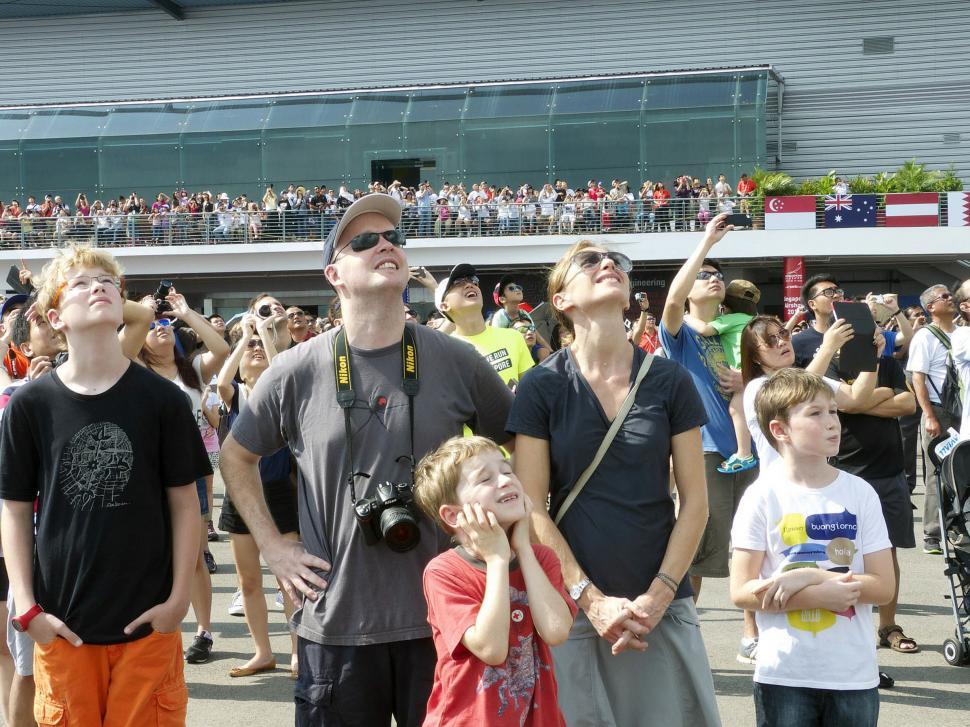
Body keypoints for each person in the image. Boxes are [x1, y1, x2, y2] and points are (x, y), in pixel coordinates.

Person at [219, 194, 514, 726]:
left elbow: (520, 444)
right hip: (336, 625)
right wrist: (274, 547)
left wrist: (502, 536)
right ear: (334, 274)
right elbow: (235, 456)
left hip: (446, 619)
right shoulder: (294, 370)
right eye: (365, 241)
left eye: (394, 238)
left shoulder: (456, 359)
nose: (386, 246)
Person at [509, 240, 720, 726]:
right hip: (573, 605)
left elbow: (695, 503)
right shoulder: (542, 384)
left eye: (616, 261)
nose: (608, 263)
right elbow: (531, 505)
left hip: (659, 604)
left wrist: (660, 595)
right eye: (588, 261)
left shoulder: (669, 380)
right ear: (561, 300)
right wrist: (591, 599)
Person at [0, 245, 210, 726]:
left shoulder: (163, 400)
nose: (98, 287)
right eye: (80, 283)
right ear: (55, 317)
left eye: (108, 282)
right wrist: (27, 607)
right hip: (64, 625)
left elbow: (185, 503)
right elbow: (14, 508)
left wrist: (178, 599)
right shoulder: (30, 405)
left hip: (148, 625)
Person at [730, 368, 895, 727]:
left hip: (853, 675)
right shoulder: (761, 496)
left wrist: (809, 576)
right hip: (783, 674)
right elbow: (741, 591)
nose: (832, 422)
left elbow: (884, 587)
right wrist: (819, 596)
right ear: (780, 430)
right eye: (815, 413)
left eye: (833, 411)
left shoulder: (860, 493)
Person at [413, 435, 574, 726]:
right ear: (453, 515)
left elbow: (556, 631)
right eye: (485, 478)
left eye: (507, 470)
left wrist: (523, 548)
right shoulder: (444, 572)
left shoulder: (541, 558)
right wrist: (497, 559)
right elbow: (491, 649)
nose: (505, 480)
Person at [660, 213, 760, 664]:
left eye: (718, 275)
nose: (713, 278)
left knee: (757, 545)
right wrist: (706, 244)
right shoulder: (679, 334)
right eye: (704, 276)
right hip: (705, 451)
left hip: (753, 452)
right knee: (698, 550)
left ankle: (752, 634)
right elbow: (672, 300)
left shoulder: (740, 330)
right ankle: (681, 636)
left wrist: (747, 380)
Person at [136, 291, 230, 664]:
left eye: (165, 323)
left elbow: (221, 348)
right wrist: (142, 312)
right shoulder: (134, 369)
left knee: (193, 556)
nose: (161, 327)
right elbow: (122, 345)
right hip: (147, 475)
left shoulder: (192, 369)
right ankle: (158, 629)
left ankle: (204, 631)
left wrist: (187, 312)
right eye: (153, 325)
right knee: (152, 553)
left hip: (188, 472)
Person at [217, 318, 299, 678]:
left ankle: (297, 651)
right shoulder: (235, 395)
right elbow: (222, 381)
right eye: (249, 349)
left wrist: (265, 336)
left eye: (258, 349)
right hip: (240, 492)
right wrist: (246, 337)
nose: (254, 351)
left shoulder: (280, 390)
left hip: (280, 491)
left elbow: (280, 369)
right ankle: (263, 652)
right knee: (248, 580)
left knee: (289, 579)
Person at [683, 279, 761, 474]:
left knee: (736, 409)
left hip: (741, 372)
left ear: (727, 305)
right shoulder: (754, 320)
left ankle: (744, 453)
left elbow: (704, 329)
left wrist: (686, 317)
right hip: (756, 374)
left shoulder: (732, 319)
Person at [905, 284, 960, 555]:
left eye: (951, 295)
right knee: (936, 472)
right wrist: (929, 415)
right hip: (939, 411)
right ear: (931, 307)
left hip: (963, 412)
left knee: (961, 470)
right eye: (944, 297)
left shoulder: (963, 333)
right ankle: (932, 533)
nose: (951, 299)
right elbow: (918, 377)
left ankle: (957, 525)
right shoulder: (925, 337)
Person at [434, 264, 534, 388]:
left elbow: (530, 389)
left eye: (473, 281)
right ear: (444, 306)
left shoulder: (513, 336)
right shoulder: (446, 352)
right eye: (458, 283)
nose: (470, 284)